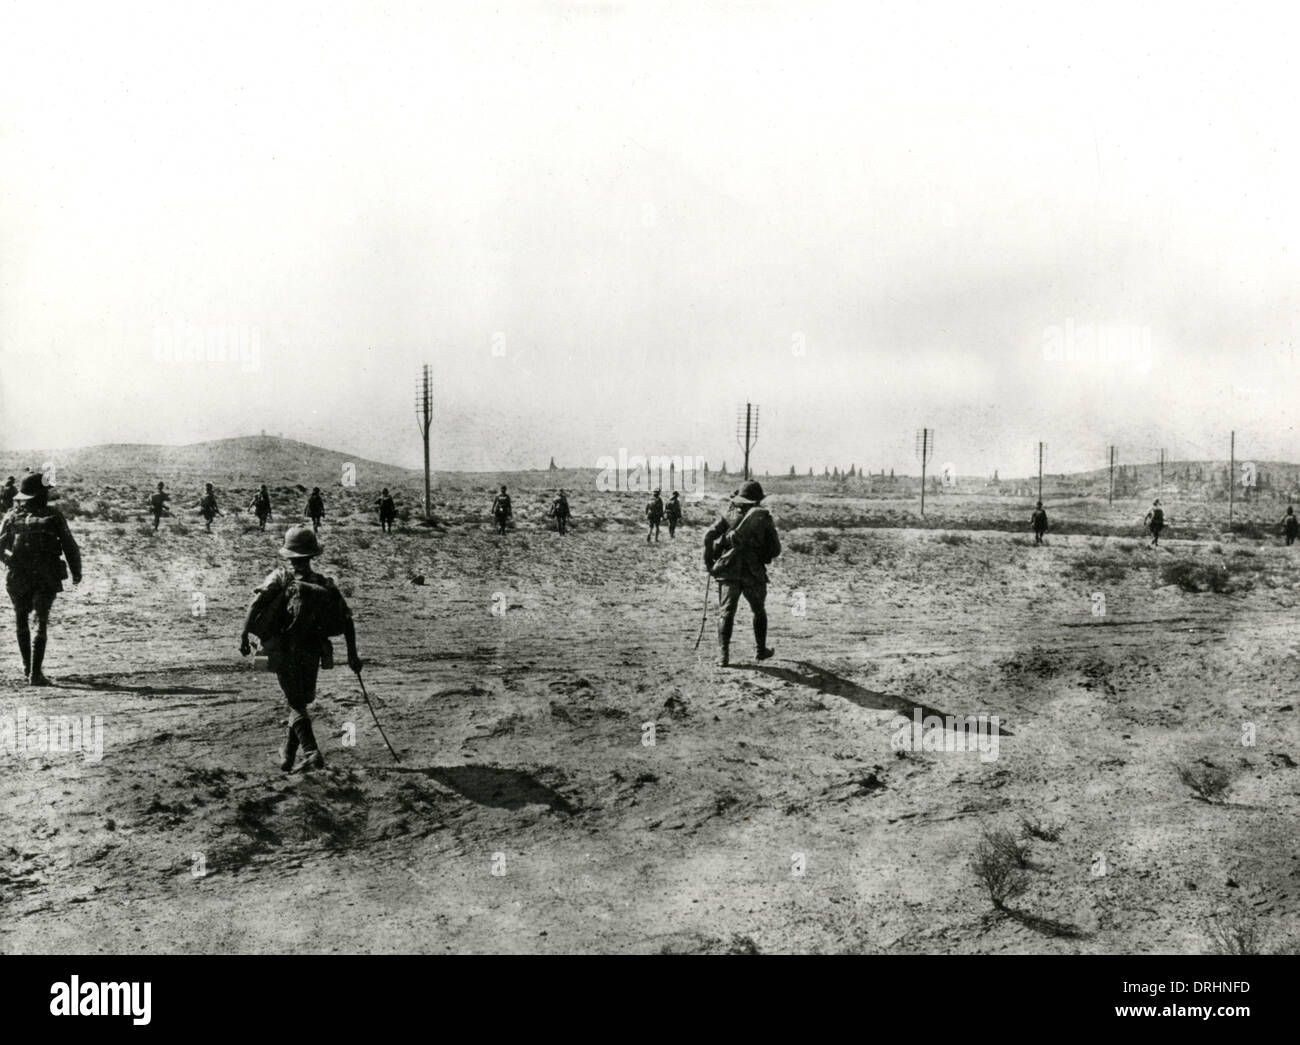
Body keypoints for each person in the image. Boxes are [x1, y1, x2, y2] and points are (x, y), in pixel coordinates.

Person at [240, 525, 362, 772]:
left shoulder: (281, 577)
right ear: (312, 555)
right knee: (299, 701)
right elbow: (346, 619)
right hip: (314, 651)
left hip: (285, 650)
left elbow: (256, 604)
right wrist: (352, 655)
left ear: (289, 555)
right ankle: (288, 755)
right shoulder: (324, 584)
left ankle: (311, 753)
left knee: (295, 704)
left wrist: (243, 634)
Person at [0, 472, 82, 685]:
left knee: (21, 619)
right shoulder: (53, 516)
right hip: (46, 575)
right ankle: (36, 674)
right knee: (40, 621)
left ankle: (27, 667)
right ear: (41, 494)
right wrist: (76, 572)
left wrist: (12, 560)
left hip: (17, 576)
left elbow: (0, 547)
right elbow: (69, 545)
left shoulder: (11, 516)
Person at [703, 480, 781, 667]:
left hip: (728, 570)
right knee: (759, 610)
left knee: (726, 613)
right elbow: (775, 549)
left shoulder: (728, 515)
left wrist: (710, 564)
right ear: (757, 499)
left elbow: (708, 536)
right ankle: (760, 650)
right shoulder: (763, 518)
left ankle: (723, 656)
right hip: (753, 573)